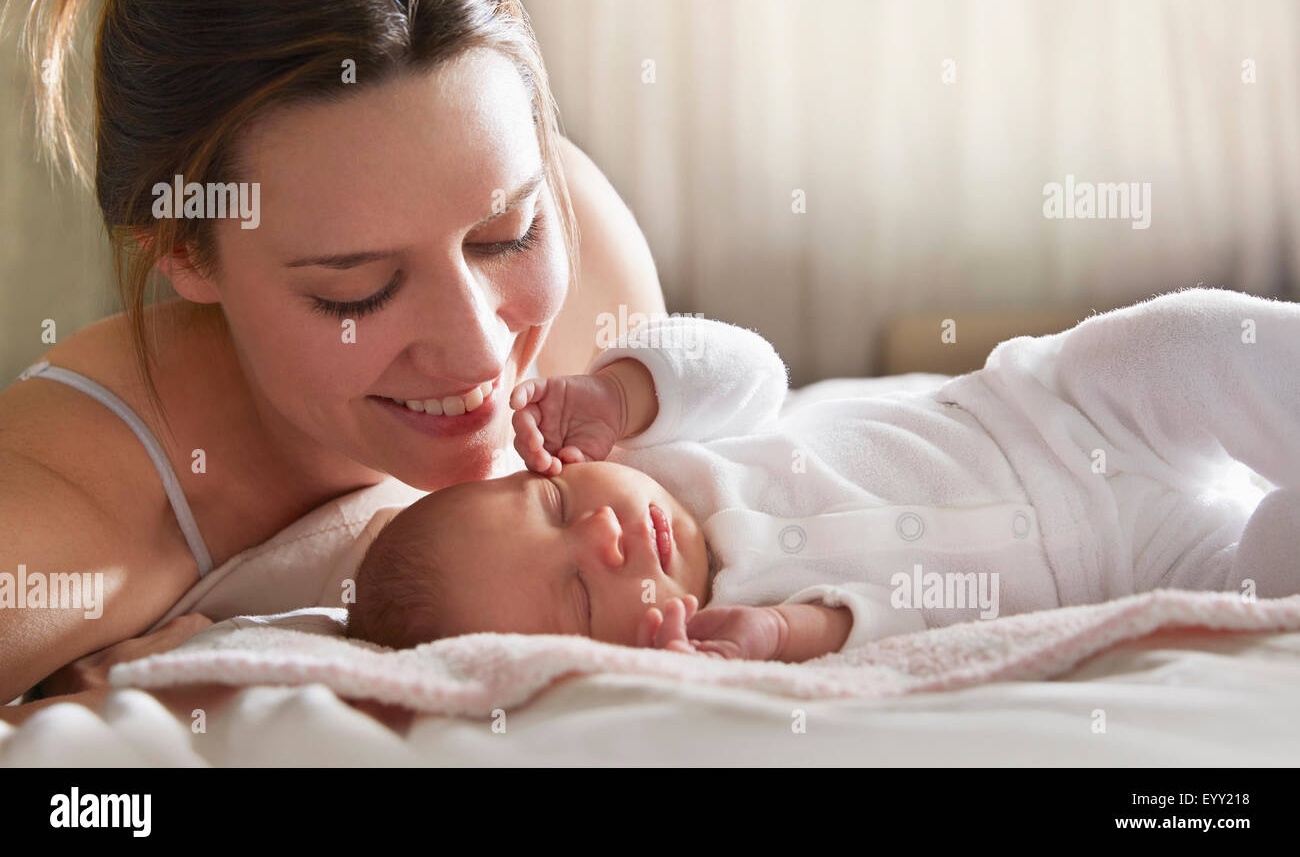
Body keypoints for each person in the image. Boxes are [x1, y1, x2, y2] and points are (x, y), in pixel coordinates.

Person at [0, 0, 665, 718]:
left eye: (504, 235)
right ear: (180, 250)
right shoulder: (72, 509)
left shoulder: (586, 247)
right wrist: (78, 718)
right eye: (357, 288)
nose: (476, 353)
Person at [347, 289, 1300, 661]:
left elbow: (753, 366)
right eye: (578, 593)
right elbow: (874, 629)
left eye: (552, 504)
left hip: (1056, 418)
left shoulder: (661, 455)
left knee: (1183, 346)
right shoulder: (729, 635)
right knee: (1265, 588)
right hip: (1136, 571)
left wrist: (625, 393)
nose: (603, 536)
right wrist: (774, 635)